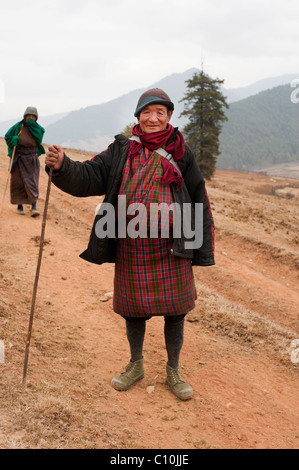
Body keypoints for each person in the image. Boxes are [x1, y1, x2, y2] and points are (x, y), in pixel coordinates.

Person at [45, 88, 215, 401]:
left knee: (175, 312)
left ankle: (173, 371)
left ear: (169, 117)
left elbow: (196, 197)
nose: (153, 118)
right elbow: (92, 175)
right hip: (132, 247)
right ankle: (136, 364)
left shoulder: (181, 151)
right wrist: (63, 166)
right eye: (147, 112)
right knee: (133, 310)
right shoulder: (122, 149)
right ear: (138, 116)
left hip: (171, 248)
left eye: (160, 113)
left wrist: (197, 250)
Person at [5, 106, 45, 216]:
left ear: (36, 118)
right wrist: (14, 140)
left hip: (32, 159)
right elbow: (7, 136)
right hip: (19, 157)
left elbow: (39, 138)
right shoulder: (18, 127)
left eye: (33, 116)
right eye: (29, 116)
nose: (31, 118)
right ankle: (20, 206)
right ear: (25, 116)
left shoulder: (38, 129)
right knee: (19, 182)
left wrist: (32, 127)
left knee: (32, 182)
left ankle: (34, 207)